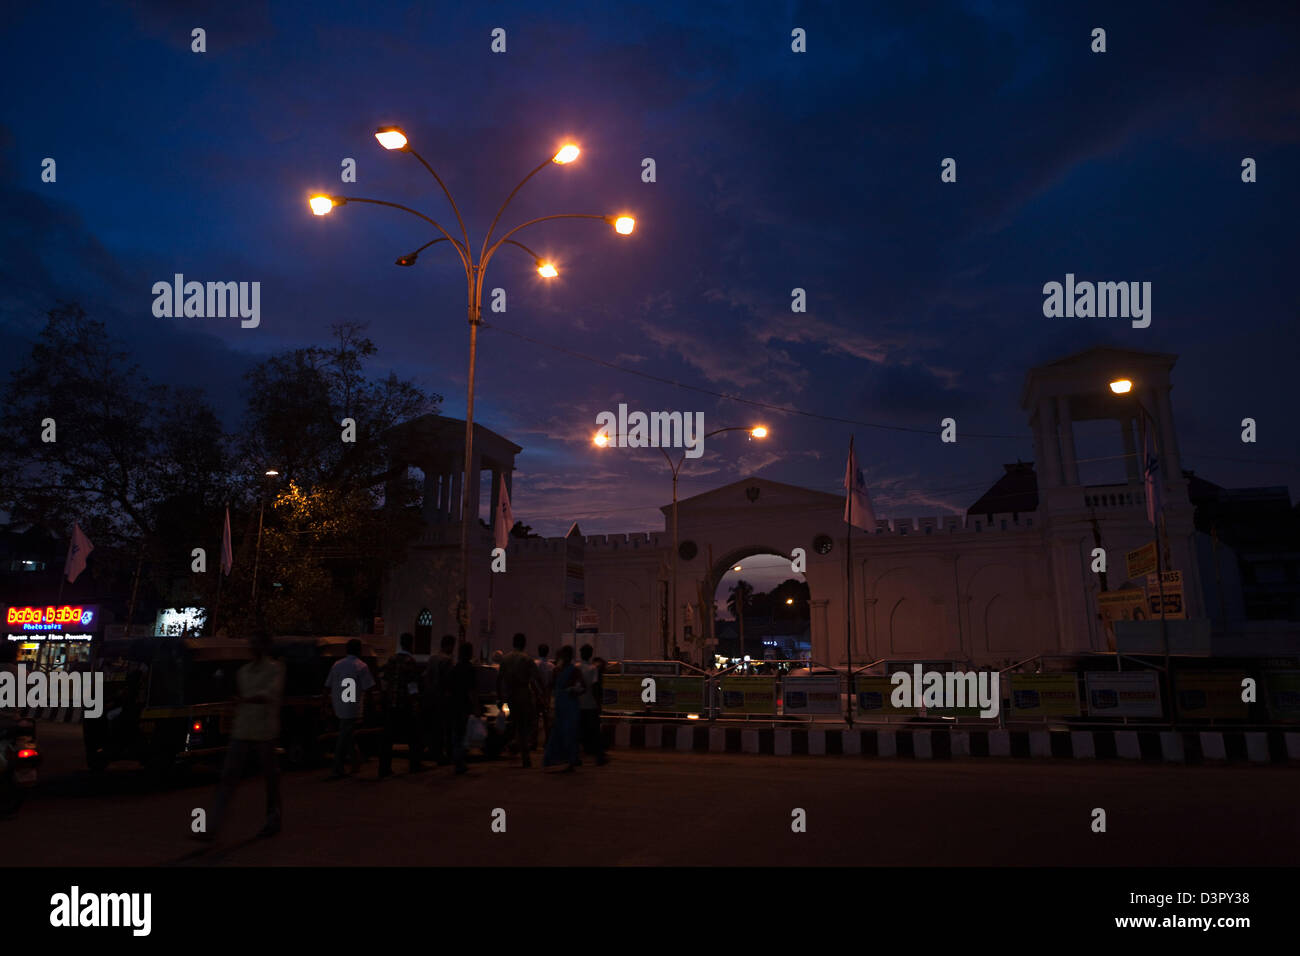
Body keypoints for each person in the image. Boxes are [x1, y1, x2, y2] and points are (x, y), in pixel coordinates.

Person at [203, 628, 284, 840]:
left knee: (270, 778)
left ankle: (273, 818)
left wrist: (246, 700)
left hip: (264, 731)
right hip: (243, 730)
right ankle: (212, 826)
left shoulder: (274, 669)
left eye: (257, 643)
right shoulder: (244, 672)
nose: (253, 647)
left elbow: (269, 694)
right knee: (228, 777)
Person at [323, 638, 374, 779]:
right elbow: (368, 687)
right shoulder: (361, 666)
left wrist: (325, 703)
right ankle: (337, 766)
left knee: (347, 733)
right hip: (352, 705)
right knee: (345, 735)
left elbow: (327, 686)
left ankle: (355, 762)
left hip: (338, 703)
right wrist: (371, 706)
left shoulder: (337, 665)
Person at [378, 633, 425, 777]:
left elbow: (385, 681)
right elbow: (412, 685)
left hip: (391, 703)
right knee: (414, 736)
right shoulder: (410, 661)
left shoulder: (391, 660)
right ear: (411, 644)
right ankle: (414, 765)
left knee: (388, 737)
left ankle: (384, 768)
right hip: (405, 703)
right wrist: (416, 702)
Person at [497, 633, 542, 768]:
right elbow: (536, 678)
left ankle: (515, 745)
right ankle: (523, 754)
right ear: (524, 643)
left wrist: (500, 697)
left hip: (510, 695)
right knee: (526, 724)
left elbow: (499, 680)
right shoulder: (527, 659)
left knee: (516, 723)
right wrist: (541, 693)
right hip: (523, 694)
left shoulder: (505, 659)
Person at [542, 645, 585, 772]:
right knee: (560, 732)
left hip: (569, 705)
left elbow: (583, 687)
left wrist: (573, 690)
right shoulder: (558, 670)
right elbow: (550, 686)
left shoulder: (572, 670)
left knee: (569, 732)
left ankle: (569, 760)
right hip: (562, 704)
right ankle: (562, 759)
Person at [423, 634, 456, 765]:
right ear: (449, 645)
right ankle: (441, 755)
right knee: (443, 727)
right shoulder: (448, 661)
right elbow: (449, 681)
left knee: (434, 726)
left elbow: (426, 677)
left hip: (431, 697)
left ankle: (434, 751)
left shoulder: (432, 658)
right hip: (443, 698)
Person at [449, 642, 479, 774]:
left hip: (455, 704)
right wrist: (476, 706)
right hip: (464, 704)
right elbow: (472, 690)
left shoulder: (455, 668)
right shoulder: (469, 669)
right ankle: (460, 762)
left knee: (457, 734)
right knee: (462, 734)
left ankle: (457, 761)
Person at [577, 644, 607, 766]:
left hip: (579, 703)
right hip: (590, 704)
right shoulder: (593, 668)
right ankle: (599, 756)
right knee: (595, 731)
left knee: (579, 731)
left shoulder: (576, 667)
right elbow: (595, 686)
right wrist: (598, 702)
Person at [535, 643, 555, 744]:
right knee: (547, 720)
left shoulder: (535, 664)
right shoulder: (551, 666)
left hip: (535, 695)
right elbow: (552, 682)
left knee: (535, 719)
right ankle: (547, 741)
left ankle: (533, 741)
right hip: (546, 695)